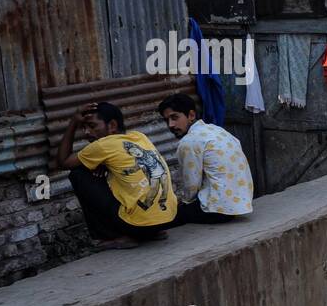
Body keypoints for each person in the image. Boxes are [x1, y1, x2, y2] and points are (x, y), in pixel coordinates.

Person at [54, 101, 175, 249]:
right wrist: (103, 165)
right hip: (167, 218)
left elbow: (63, 161)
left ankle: (117, 236)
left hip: (137, 225)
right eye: (83, 127)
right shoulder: (139, 137)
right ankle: (152, 232)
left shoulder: (102, 145)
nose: (86, 132)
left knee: (78, 174)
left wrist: (73, 122)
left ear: (112, 125)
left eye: (92, 126)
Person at [158, 94, 253, 223]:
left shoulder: (189, 141)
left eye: (175, 117)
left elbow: (191, 186)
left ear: (191, 115)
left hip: (217, 210)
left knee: (167, 216)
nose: (171, 125)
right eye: (166, 120)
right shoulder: (216, 130)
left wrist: (184, 203)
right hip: (240, 204)